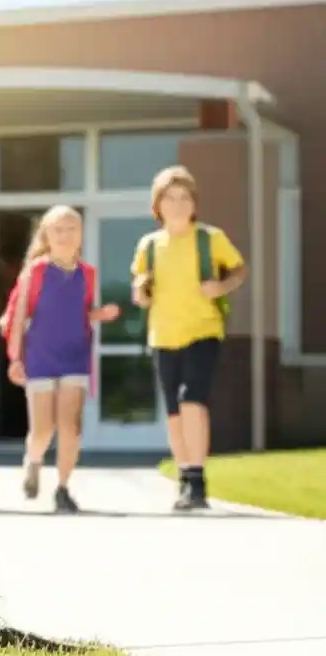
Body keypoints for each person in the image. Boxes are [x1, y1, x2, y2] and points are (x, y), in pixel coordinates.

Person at [130, 165, 247, 511]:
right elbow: (142, 291)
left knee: (191, 399)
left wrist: (222, 286)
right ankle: (185, 478)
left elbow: (240, 269)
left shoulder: (210, 238)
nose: (178, 204)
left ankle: (197, 481)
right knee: (174, 413)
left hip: (203, 331)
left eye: (185, 198)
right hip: (163, 336)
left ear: (194, 204)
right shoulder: (149, 245)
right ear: (158, 205)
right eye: (170, 197)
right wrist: (140, 291)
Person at [1, 205, 120, 513]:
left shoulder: (88, 274)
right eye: (58, 229)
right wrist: (15, 358)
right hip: (40, 357)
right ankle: (34, 461)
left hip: (75, 356)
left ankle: (63, 488)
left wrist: (100, 314)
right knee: (43, 429)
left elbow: (81, 312)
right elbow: (18, 317)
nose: (65, 235)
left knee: (71, 426)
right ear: (47, 235)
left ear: (81, 235)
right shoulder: (35, 272)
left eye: (71, 229)